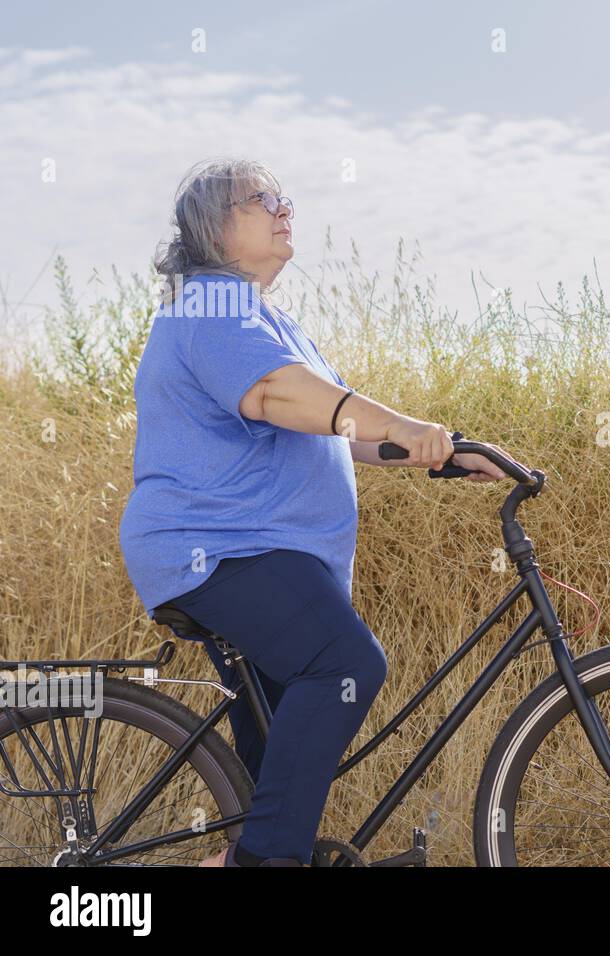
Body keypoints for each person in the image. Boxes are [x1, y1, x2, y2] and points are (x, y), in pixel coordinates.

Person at [118, 158, 507, 867]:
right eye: (261, 199)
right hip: (219, 549)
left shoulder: (270, 319)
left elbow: (338, 425)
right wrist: (408, 424)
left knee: (270, 764)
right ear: (214, 229)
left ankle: (248, 852)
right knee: (344, 662)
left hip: (261, 553)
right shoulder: (210, 305)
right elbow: (277, 397)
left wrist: (445, 453)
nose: (283, 206)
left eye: (283, 196)